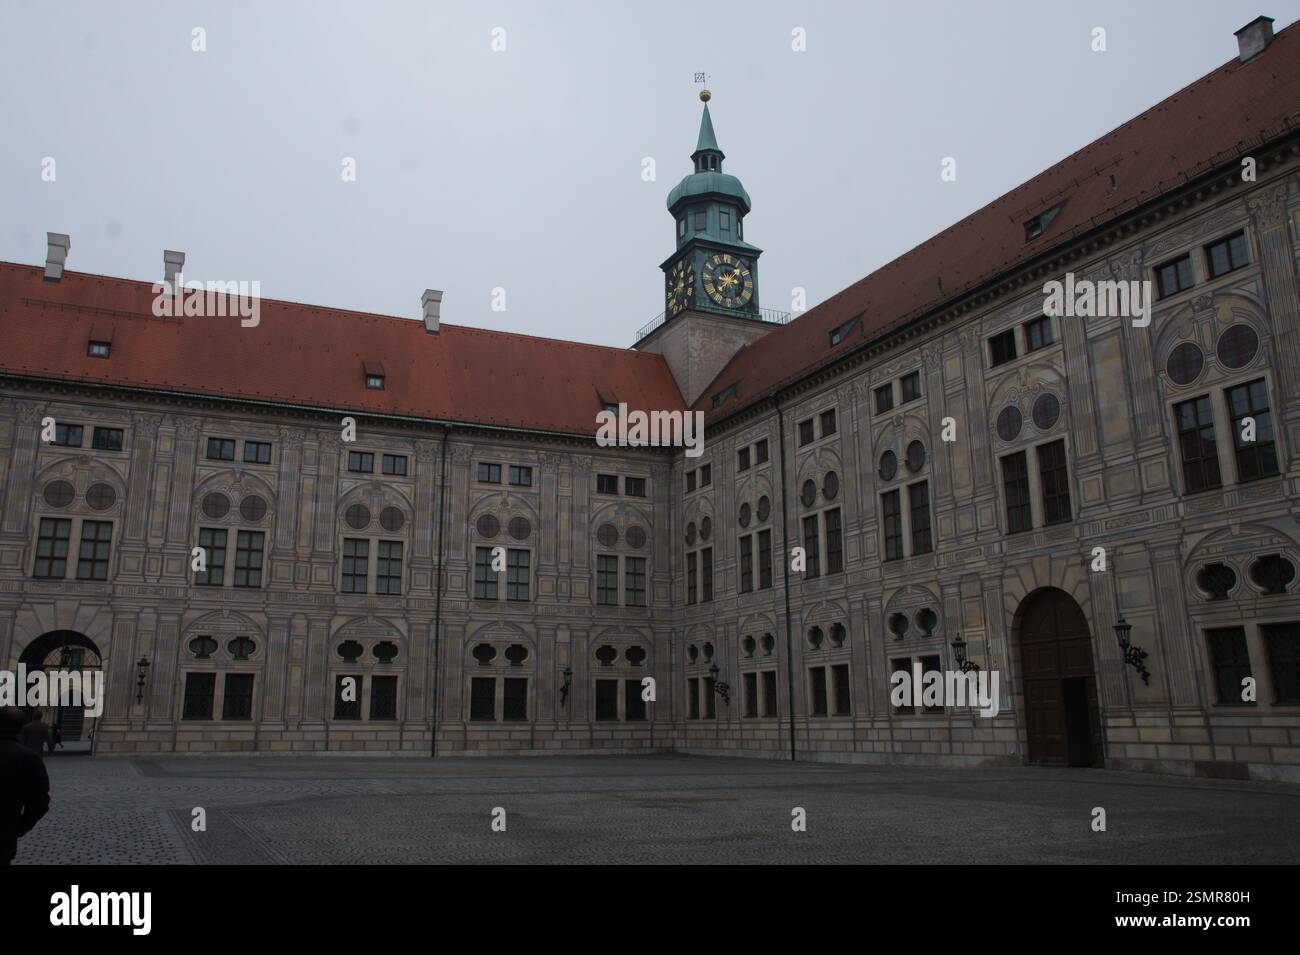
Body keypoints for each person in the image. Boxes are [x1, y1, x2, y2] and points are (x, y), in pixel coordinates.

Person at [1, 706, 51, 864]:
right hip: (3, 836)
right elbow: (40, 802)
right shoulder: (29, 759)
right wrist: (18, 828)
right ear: (19, 727)